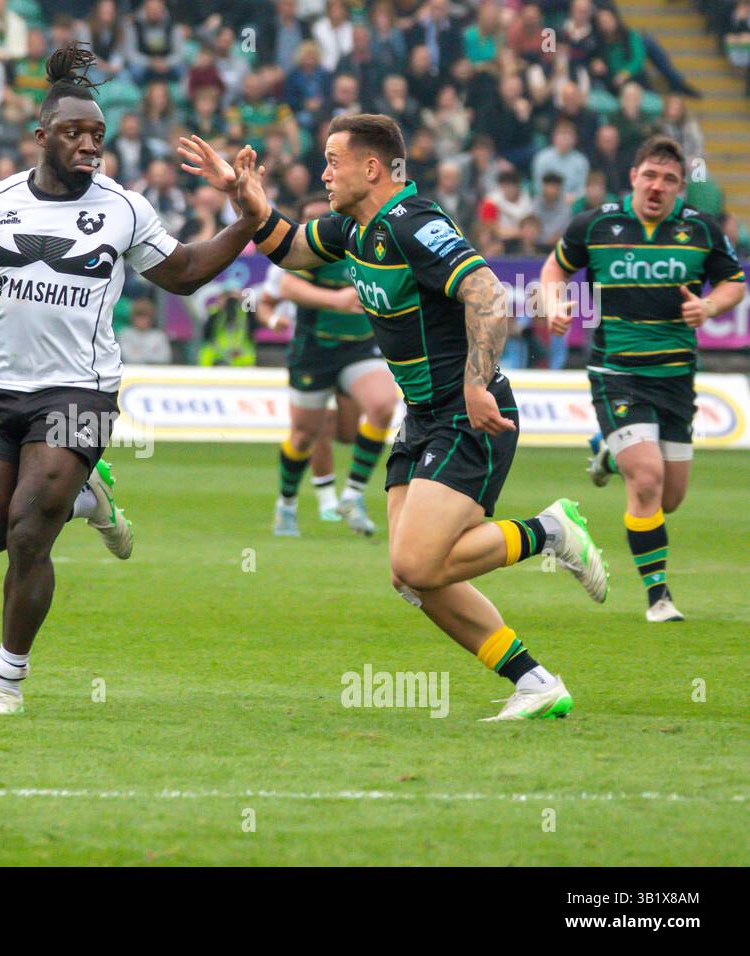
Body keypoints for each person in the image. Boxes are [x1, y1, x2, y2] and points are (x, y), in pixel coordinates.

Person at [0, 43, 265, 715]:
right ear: (42, 136)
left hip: (81, 392)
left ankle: (6, 682)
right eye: (75, 133)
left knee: (27, 534)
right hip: (1, 391)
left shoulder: (123, 208)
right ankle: (86, 499)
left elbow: (186, 272)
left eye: (98, 136)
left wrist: (249, 222)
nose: (90, 145)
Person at [183, 114, 610, 721]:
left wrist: (476, 385)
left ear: (372, 168)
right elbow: (292, 247)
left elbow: (488, 294)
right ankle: (535, 682)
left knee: (417, 562)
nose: (324, 172)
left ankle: (551, 532)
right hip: (423, 417)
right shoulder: (355, 229)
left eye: (333, 160)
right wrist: (243, 194)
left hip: (467, 414)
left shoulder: (414, 224)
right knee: (413, 578)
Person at [541, 135, 747, 623]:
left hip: (676, 379)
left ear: (680, 189)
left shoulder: (701, 231)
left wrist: (710, 305)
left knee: (670, 498)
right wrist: (553, 302)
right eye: (650, 175)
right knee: (648, 479)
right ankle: (659, 598)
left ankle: (611, 453)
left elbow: (734, 283)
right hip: (618, 375)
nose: (658, 186)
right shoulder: (597, 226)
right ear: (633, 177)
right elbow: (554, 268)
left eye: (669, 180)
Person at [256, 192, 398, 538]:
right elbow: (284, 287)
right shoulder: (308, 249)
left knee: (383, 405)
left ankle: (351, 496)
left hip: (360, 350)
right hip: (313, 353)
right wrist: (334, 301)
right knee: (304, 435)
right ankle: (286, 505)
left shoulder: (372, 243)